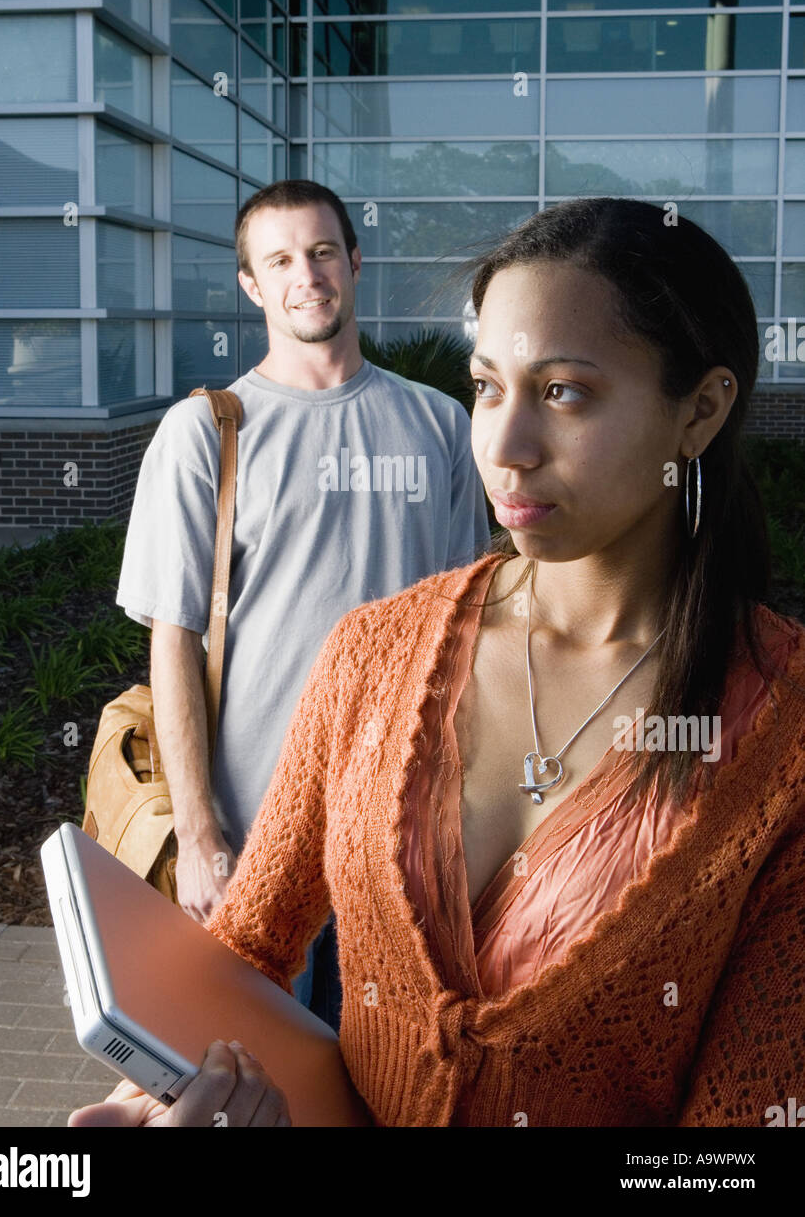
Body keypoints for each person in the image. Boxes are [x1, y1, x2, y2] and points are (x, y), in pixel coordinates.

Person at [72, 197, 805, 1127]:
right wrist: (162, 1091)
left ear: (699, 410)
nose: (503, 448)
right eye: (489, 386)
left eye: (564, 392)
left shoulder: (783, 739)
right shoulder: (374, 651)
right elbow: (247, 951)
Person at [113, 179, 491, 1031]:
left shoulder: (438, 426)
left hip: (397, 840)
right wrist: (202, 836)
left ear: (354, 264)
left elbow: (471, 629)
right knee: (249, 1078)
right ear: (252, 286)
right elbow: (172, 641)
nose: (307, 274)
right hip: (255, 842)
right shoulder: (208, 430)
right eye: (279, 259)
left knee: (379, 1083)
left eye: (322, 252)